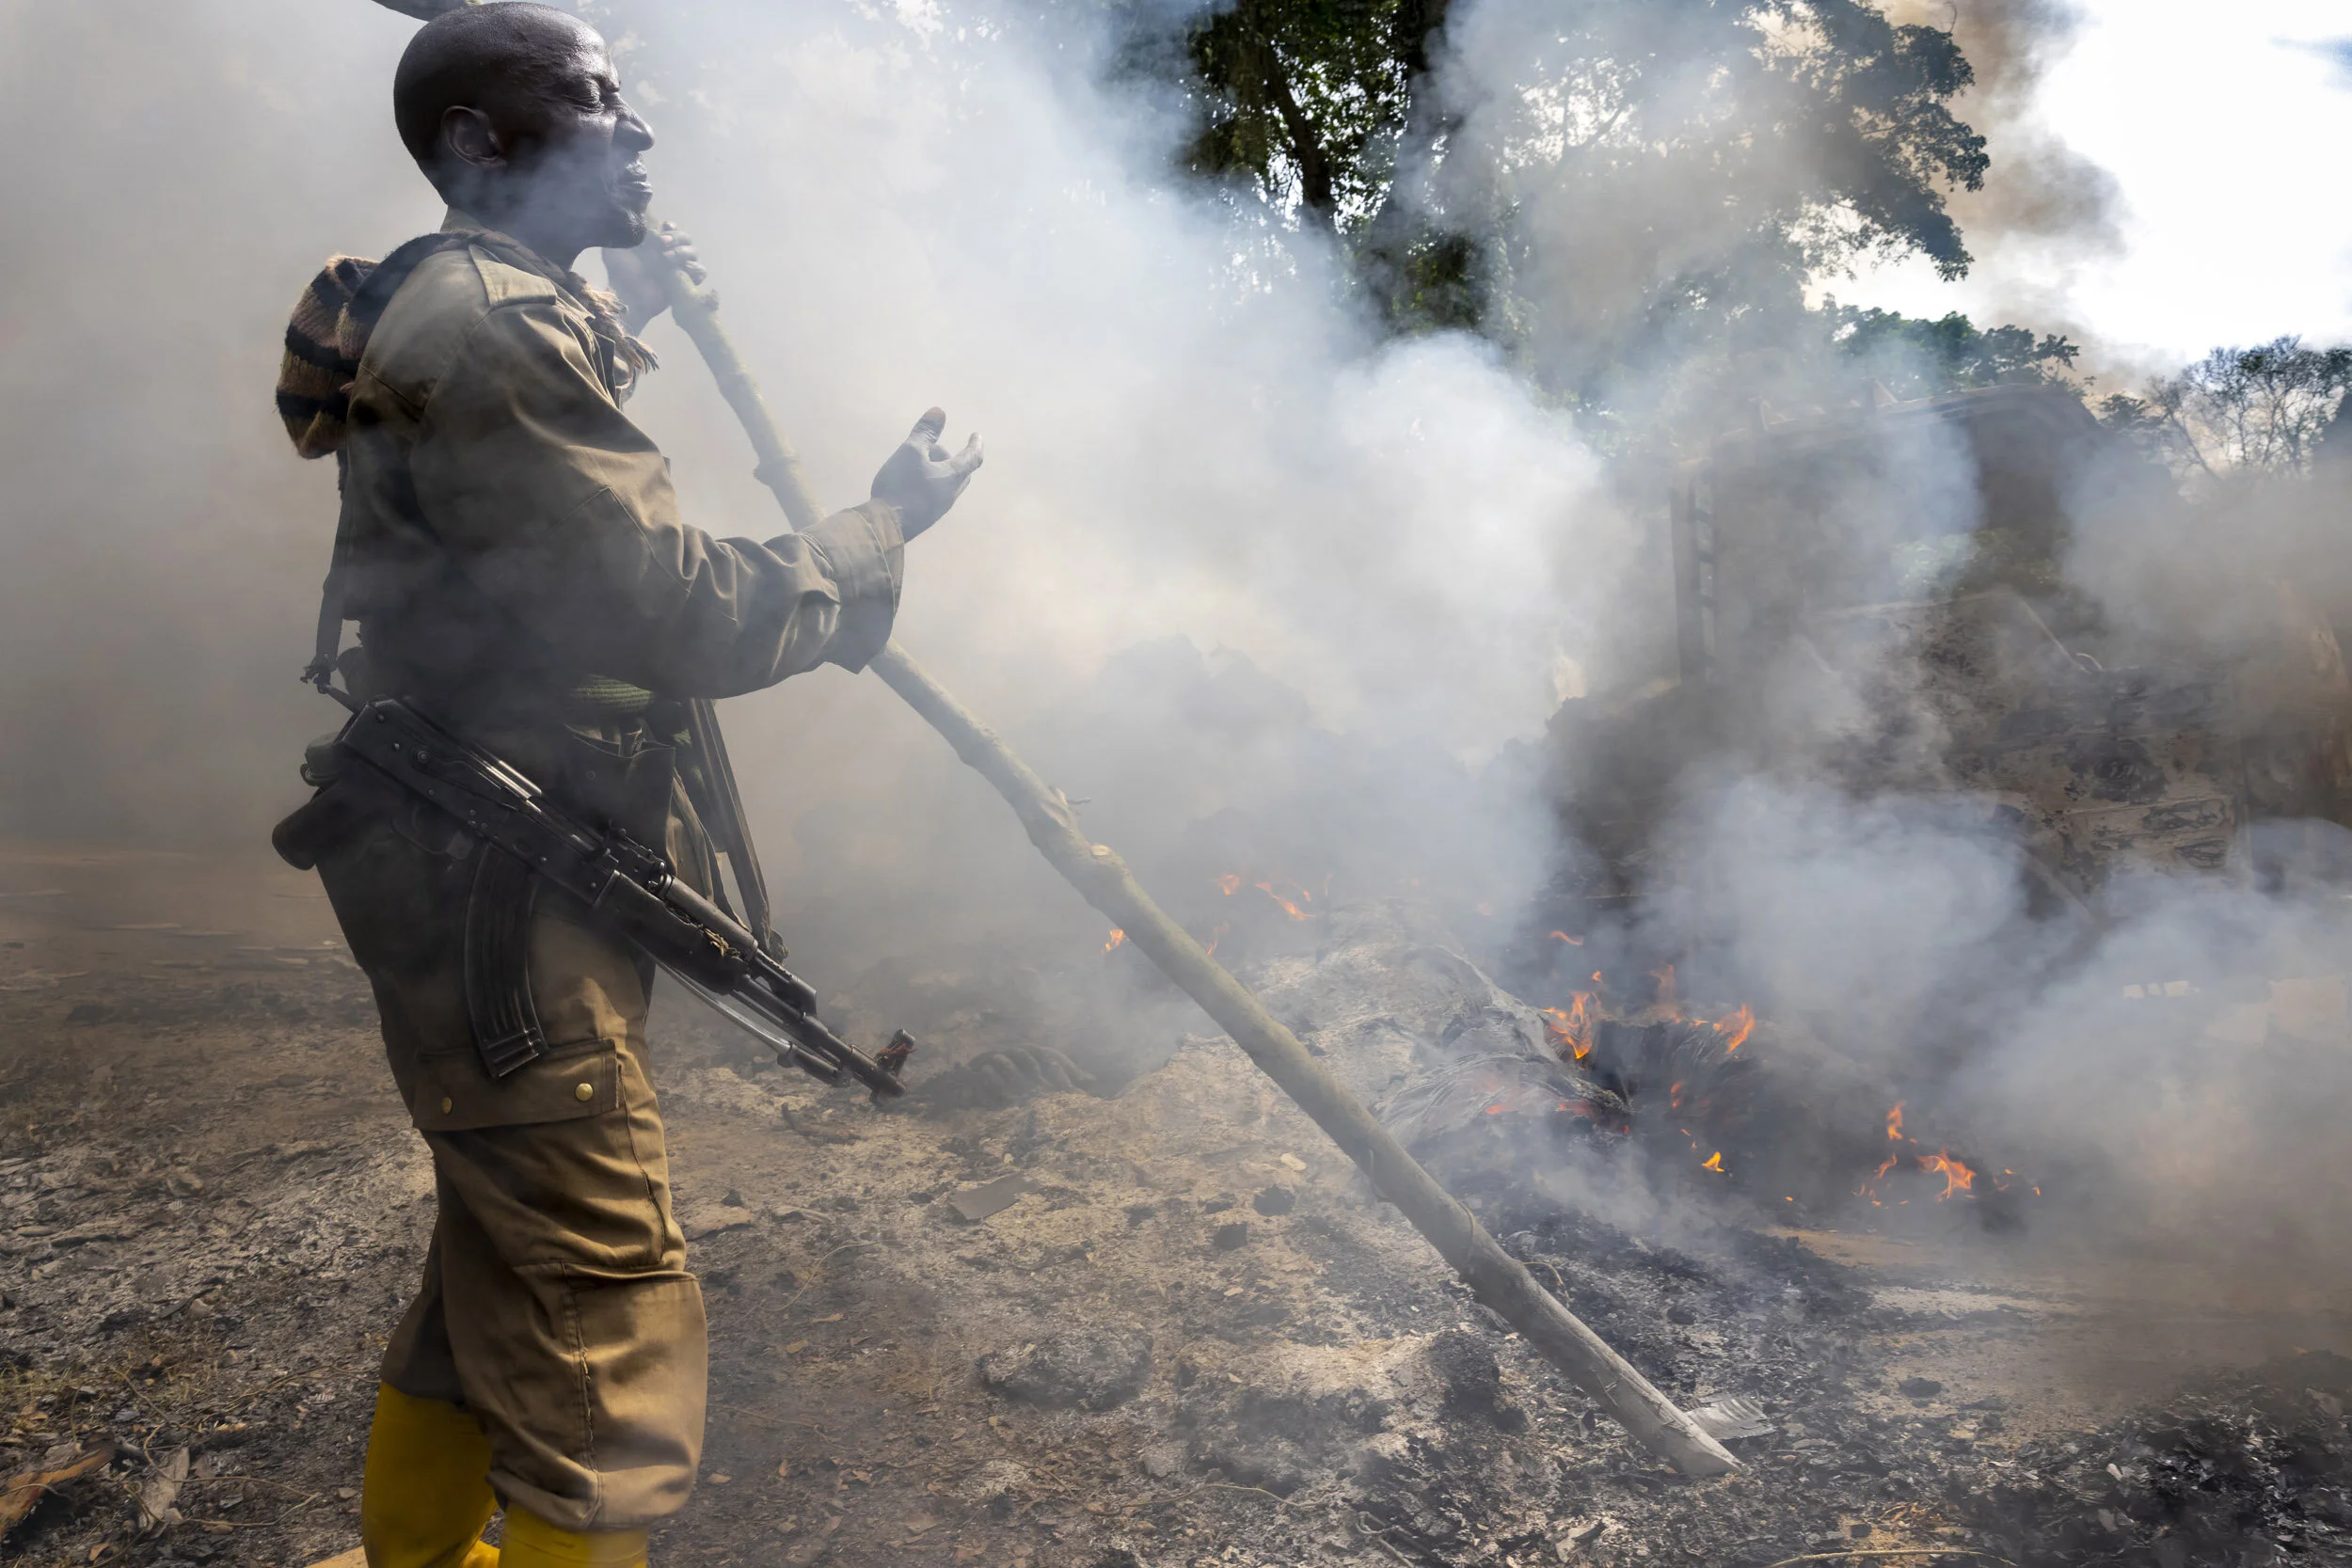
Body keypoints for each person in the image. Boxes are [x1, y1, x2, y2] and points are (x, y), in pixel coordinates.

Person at [274, 6, 980, 1564]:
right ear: (478, 139)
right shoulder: (488, 326)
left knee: (498, 1270)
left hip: (484, 855)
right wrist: (878, 527)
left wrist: (610, 289)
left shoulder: (477, 304)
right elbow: (675, 608)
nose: (641, 131)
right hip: (500, 884)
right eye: (599, 100)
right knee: (605, 1325)